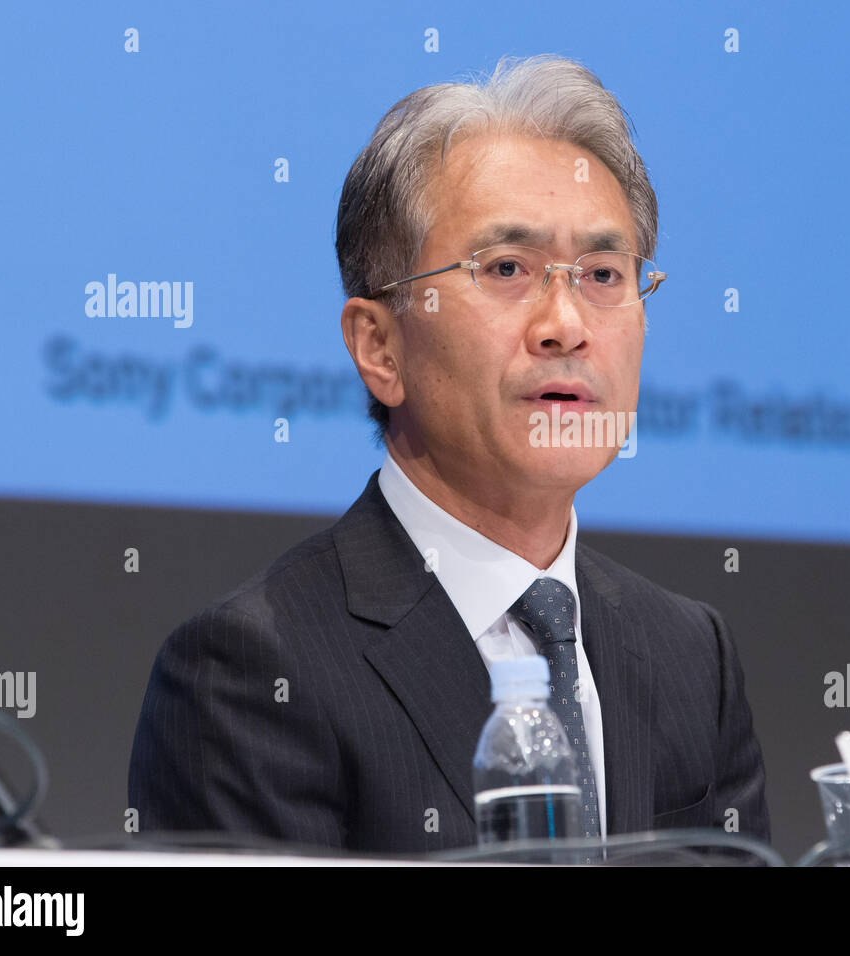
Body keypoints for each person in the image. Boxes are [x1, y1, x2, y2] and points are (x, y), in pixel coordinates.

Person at [128, 53, 769, 854]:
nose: (566, 323)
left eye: (604, 273)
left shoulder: (689, 658)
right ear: (380, 347)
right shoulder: (251, 669)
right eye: (506, 269)